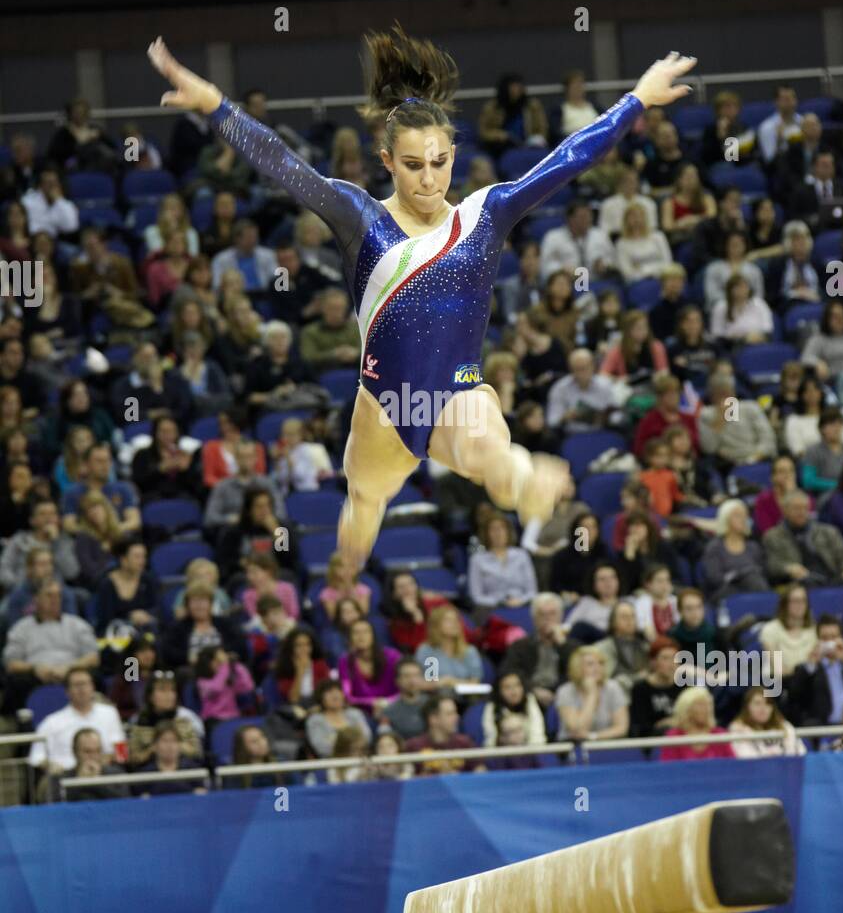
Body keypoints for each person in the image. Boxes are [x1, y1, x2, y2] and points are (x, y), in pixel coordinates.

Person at [149, 34, 696, 569]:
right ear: (388, 160)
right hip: (383, 410)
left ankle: (531, 490)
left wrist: (638, 99)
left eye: (439, 162)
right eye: (413, 166)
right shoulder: (358, 216)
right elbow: (282, 164)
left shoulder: (485, 214)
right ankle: (352, 559)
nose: (429, 179)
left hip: (457, 395)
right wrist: (215, 107)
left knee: (488, 452)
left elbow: (568, 159)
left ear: (453, 155)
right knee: (364, 502)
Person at [3, 581, 100, 712]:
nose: (55, 600)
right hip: (35, 675)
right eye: (49, 595)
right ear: (36, 599)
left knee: (95, 676)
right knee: (15, 681)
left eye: (58, 596)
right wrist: (35, 668)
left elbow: (94, 657)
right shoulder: (21, 628)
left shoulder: (77, 624)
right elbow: (11, 663)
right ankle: (23, 723)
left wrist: (70, 668)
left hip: (71, 670)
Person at [27, 668, 125, 780]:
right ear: (67, 691)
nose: (82, 689)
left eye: (85, 684)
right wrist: (49, 765)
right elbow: (36, 757)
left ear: (93, 687)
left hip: (103, 773)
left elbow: (122, 751)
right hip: (66, 776)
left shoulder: (109, 713)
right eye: (77, 685)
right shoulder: (51, 722)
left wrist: (109, 759)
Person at [762, 489, 843, 586]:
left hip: (832, 578)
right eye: (796, 508)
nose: (801, 512)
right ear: (784, 510)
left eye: (805, 508)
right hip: (798, 583)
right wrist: (789, 568)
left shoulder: (828, 532)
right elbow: (772, 565)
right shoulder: (773, 536)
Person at [788, 615, 843, 727]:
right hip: (823, 727)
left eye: (833, 637)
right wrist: (811, 665)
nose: (829, 642)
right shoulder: (807, 669)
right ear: (818, 640)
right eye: (824, 638)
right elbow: (795, 696)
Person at [0, 496, 79, 591]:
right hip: (21, 592)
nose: (48, 518)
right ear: (32, 520)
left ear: (58, 519)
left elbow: (71, 573)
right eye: (42, 514)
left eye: (52, 514)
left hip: (55, 594)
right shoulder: (19, 540)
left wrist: (57, 542)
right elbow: (3, 567)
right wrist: (18, 586)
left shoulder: (64, 541)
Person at [698, 374, 777, 468]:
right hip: (728, 465)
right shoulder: (706, 415)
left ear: (733, 393)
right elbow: (709, 449)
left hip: (758, 459)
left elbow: (768, 439)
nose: (725, 398)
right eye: (720, 394)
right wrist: (720, 419)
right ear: (712, 397)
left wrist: (752, 459)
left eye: (727, 393)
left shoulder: (751, 407)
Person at [554, 645, 629, 743]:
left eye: (600, 663)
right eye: (590, 664)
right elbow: (576, 729)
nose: (597, 668)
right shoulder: (565, 691)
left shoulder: (613, 687)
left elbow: (622, 728)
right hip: (571, 748)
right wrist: (592, 694)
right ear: (577, 667)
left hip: (607, 746)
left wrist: (593, 736)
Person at [128, 672, 204, 765]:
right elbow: (132, 758)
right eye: (162, 690)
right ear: (150, 696)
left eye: (172, 690)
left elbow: (197, 753)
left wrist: (176, 747)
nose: (169, 695)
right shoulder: (139, 722)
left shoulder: (186, 719)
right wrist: (152, 750)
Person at [701, 499, 769, 602]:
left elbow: (762, 572)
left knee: (754, 580)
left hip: (753, 588)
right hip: (726, 592)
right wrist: (740, 576)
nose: (743, 519)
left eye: (745, 515)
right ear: (725, 519)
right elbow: (714, 579)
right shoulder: (714, 547)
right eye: (737, 515)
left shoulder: (753, 546)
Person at [467, 512, 538, 609]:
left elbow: (532, 592)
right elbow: (476, 597)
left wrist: (520, 601)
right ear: (486, 533)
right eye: (493, 529)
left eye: (502, 528)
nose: (498, 533)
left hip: (522, 606)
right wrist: (500, 602)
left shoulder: (522, 555)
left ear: (508, 531)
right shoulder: (477, 560)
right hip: (492, 609)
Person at [91, 536, 157, 635]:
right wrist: (130, 618)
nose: (142, 561)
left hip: (144, 631)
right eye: (137, 557)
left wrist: (147, 616)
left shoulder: (148, 580)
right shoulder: (107, 584)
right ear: (123, 560)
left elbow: (157, 609)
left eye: (144, 556)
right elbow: (105, 620)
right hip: (115, 635)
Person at [402, 694, 479, 775]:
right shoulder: (413, 746)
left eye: (455, 712)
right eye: (449, 714)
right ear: (433, 719)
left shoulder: (465, 743)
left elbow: (480, 772)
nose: (457, 717)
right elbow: (405, 779)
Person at [415, 604, 483, 690]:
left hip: (464, 699)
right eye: (448, 620)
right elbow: (419, 682)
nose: (455, 624)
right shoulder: (426, 650)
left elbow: (475, 683)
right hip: (433, 697)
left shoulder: (469, 651)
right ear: (436, 625)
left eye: (456, 620)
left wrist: (449, 682)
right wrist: (441, 683)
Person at [659, 687, 736, 761]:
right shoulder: (674, 737)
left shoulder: (720, 735)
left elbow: (732, 765)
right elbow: (668, 770)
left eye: (708, 705)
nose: (706, 709)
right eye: (700, 705)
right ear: (686, 709)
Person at [338, 619, 400, 710]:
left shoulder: (393, 656)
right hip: (361, 711)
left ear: (373, 635)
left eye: (366, 632)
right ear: (350, 637)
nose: (361, 636)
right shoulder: (345, 661)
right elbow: (347, 696)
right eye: (356, 633)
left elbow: (404, 689)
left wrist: (386, 702)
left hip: (394, 707)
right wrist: (373, 703)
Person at [728, 687, 805, 759]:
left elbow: (801, 753)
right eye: (757, 703)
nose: (763, 708)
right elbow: (747, 759)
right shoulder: (738, 731)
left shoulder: (785, 726)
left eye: (768, 703)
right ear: (747, 707)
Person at [58, 727, 130, 802]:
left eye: (98, 751)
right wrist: (80, 782)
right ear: (75, 752)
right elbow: (58, 805)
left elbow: (125, 803)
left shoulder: (116, 774)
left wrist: (97, 782)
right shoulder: (63, 778)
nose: (94, 756)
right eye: (87, 751)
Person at [760, 585, 818, 679]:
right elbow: (780, 671)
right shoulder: (770, 630)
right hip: (782, 684)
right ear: (784, 604)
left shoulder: (814, 630)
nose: (800, 605)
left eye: (803, 600)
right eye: (795, 601)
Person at [304, 679, 372, 758]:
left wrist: (334, 740)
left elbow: (367, 737)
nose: (335, 695)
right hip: (330, 763)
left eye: (338, 691)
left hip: (358, 759)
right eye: (329, 692)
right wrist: (352, 744)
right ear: (321, 697)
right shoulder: (315, 720)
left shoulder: (355, 714)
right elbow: (322, 748)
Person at [629, 638, 680, 738]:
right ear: (653, 662)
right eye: (665, 658)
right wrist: (666, 724)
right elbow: (641, 728)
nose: (671, 664)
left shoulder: (686, 686)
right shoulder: (640, 689)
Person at [481, 671, 547, 748]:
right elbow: (491, 741)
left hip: (531, 753)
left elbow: (538, 736)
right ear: (499, 691)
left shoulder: (530, 701)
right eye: (507, 687)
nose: (513, 691)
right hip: (501, 754)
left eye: (517, 685)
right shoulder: (491, 708)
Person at [193, 646, 258, 724]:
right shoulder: (202, 681)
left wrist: (235, 665)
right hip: (213, 719)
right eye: (217, 661)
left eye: (220, 662)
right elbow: (216, 688)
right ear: (208, 662)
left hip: (233, 717)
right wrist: (225, 665)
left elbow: (248, 686)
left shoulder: (227, 678)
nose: (219, 664)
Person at [273, 625, 331, 705]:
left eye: (307, 645)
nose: (304, 649)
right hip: (296, 709)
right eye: (298, 645)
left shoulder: (320, 665)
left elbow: (326, 694)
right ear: (291, 648)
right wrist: (300, 672)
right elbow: (293, 699)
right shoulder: (284, 668)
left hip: (318, 706)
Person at [614, 203, 673, 283]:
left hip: (662, 278)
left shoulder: (658, 236)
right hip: (638, 282)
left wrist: (642, 269)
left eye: (639, 215)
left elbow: (668, 262)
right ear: (626, 220)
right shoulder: (621, 244)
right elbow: (627, 273)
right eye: (632, 216)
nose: (636, 219)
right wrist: (655, 267)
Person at [710, 275, 774, 345]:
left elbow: (768, 330)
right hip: (731, 345)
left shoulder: (759, 304)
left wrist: (755, 337)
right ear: (730, 290)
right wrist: (739, 339)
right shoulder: (720, 307)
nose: (741, 290)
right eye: (737, 288)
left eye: (744, 287)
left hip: (757, 343)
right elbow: (717, 335)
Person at [380, 657, 430, 741]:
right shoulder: (389, 712)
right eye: (407, 676)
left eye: (416, 675)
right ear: (397, 680)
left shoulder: (433, 705)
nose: (412, 681)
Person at [753, 454, 802, 535]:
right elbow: (768, 532)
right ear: (773, 477)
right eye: (782, 471)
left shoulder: (805, 498)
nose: (788, 475)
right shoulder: (763, 500)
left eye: (791, 470)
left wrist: (793, 495)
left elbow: (809, 529)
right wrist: (789, 496)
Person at [317, 552, 371, 621]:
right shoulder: (327, 593)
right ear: (333, 569)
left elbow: (364, 613)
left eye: (351, 566)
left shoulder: (363, 590)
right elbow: (333, 616)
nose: (347, 570)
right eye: (342, 566)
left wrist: (351, 590)